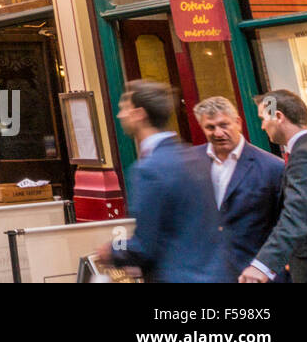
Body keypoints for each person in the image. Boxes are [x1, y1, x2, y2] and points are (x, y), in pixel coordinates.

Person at [96, 80, 226, 282]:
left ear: (139, 114)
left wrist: (113, 248)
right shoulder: (198, 159)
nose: (119, 115)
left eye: (123, 108)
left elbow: (143, 243)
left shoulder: (148, 169)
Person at [190, 96, 284, 281]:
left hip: (255, 275)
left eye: (224, 125)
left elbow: (284, 225)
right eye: (210, 127)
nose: (218, 133)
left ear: (238, 122)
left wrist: (267, 267)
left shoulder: (272, 167)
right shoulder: (188, 163)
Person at [241, 89, 307, 283]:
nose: (261, 127)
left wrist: (263, 264)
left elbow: (299, 214)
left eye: (263, 118)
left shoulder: (305, 155)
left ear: (278, 116)